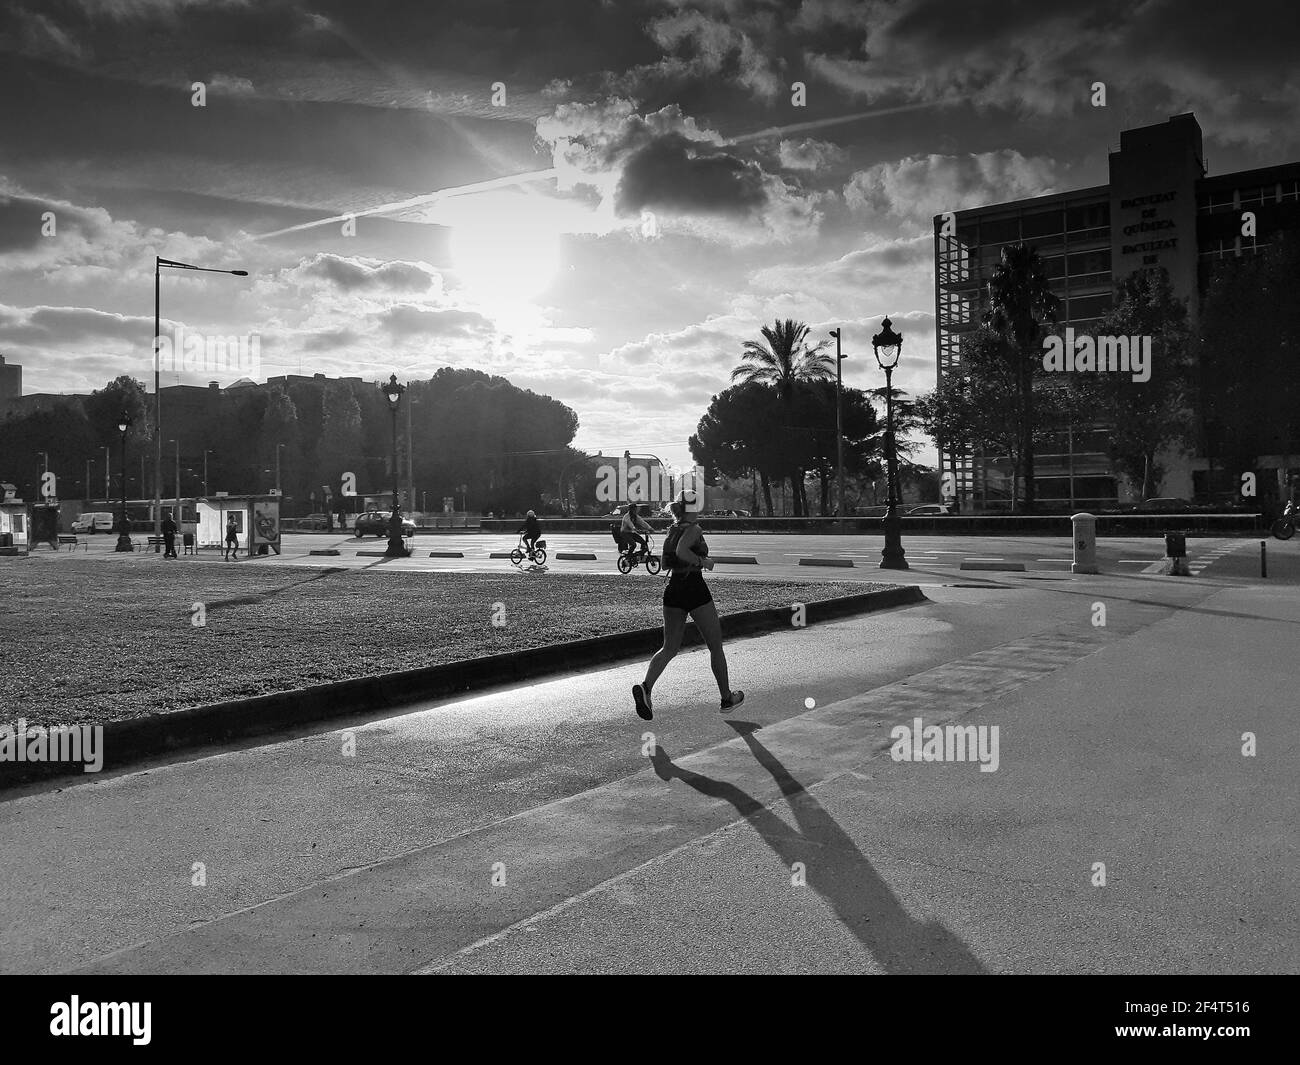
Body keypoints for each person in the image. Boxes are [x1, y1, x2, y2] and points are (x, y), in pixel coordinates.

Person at [633, 491, 743, 720]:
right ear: (691, 508)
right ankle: (726, 698)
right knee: (715, 646)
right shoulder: (693, 529)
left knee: (669, 648)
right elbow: (683, 551)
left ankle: (646, 687)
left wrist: (685, 559)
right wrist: (704, 562)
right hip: (693, 587)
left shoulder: (671, 531)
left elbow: (664, 564)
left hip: (672, 589)